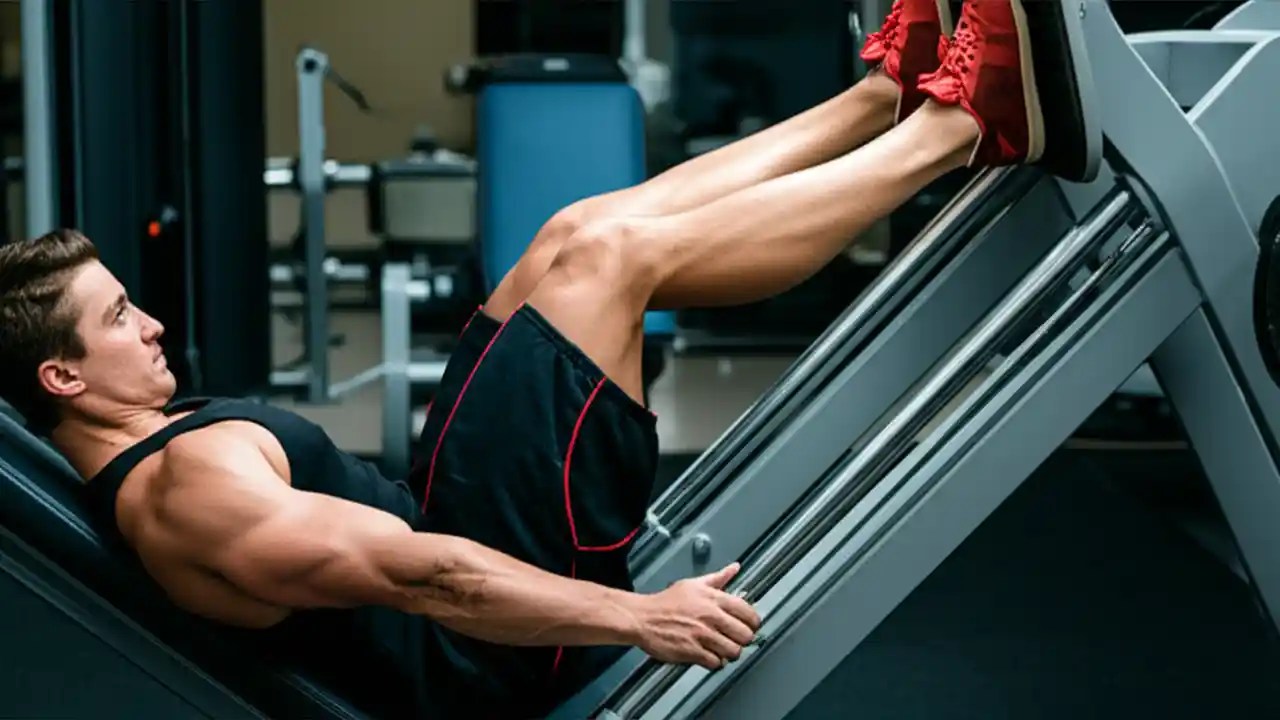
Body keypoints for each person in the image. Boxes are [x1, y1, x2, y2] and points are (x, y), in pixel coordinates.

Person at [0, 0, 1077, 717]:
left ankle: (873, 102)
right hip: (505, 653)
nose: (148, 326)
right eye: (117, 320)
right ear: (62, 380)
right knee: (619, 257)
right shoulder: (186, 494)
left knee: (566, 235)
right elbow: (424, 577)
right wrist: (636, 618)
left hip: (453, 516)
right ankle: (954, 130)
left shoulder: (158, 442)